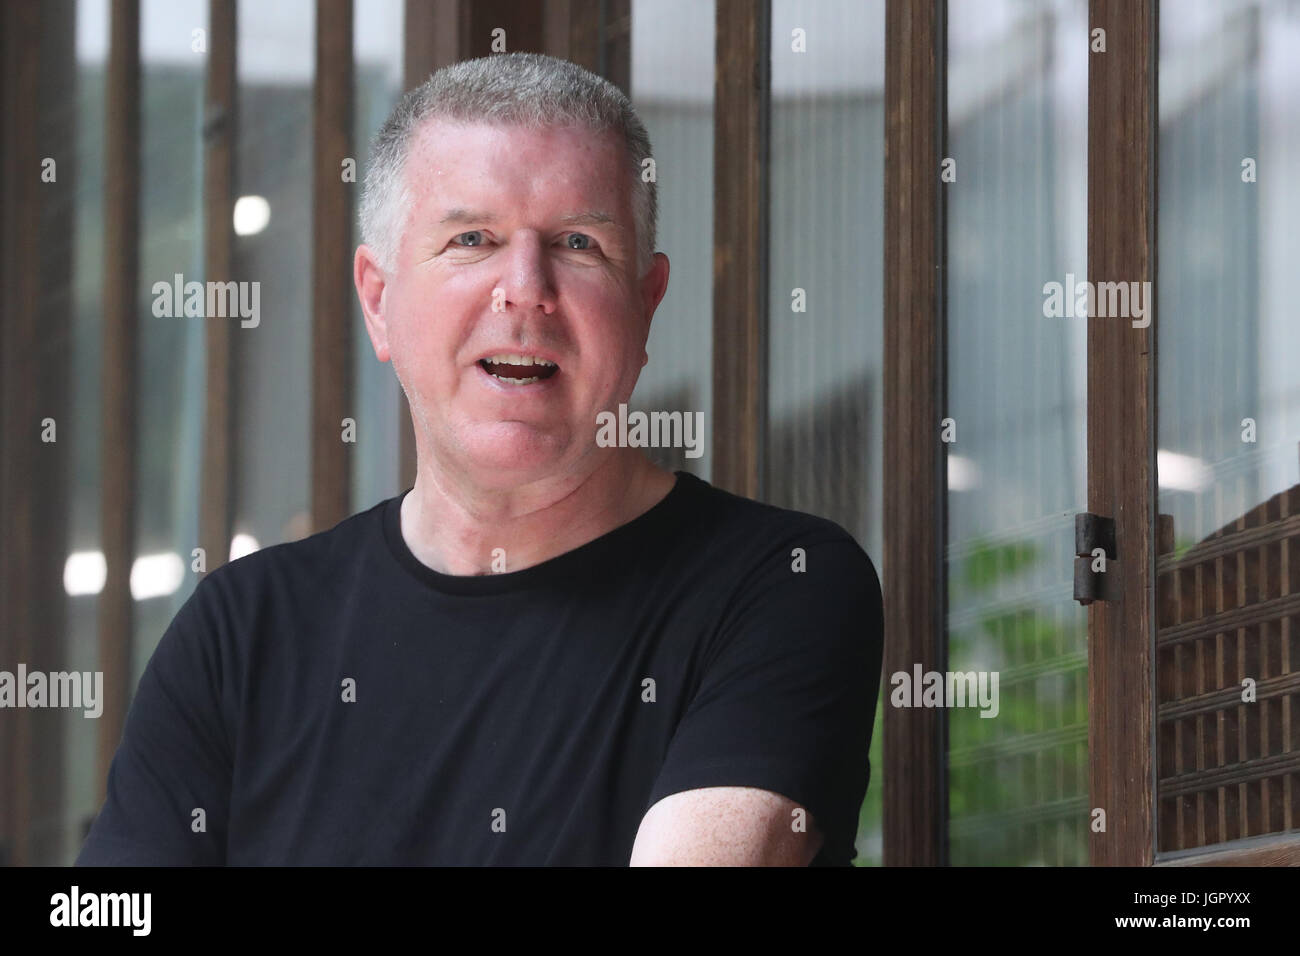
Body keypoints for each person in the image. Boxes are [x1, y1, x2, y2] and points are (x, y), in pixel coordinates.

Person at [77, 52, 883, 867]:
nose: (524, 287)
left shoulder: (779, 585)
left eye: (578, 242)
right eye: (473, 239)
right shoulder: (241, 634)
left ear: (644, 308)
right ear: (379, 300)